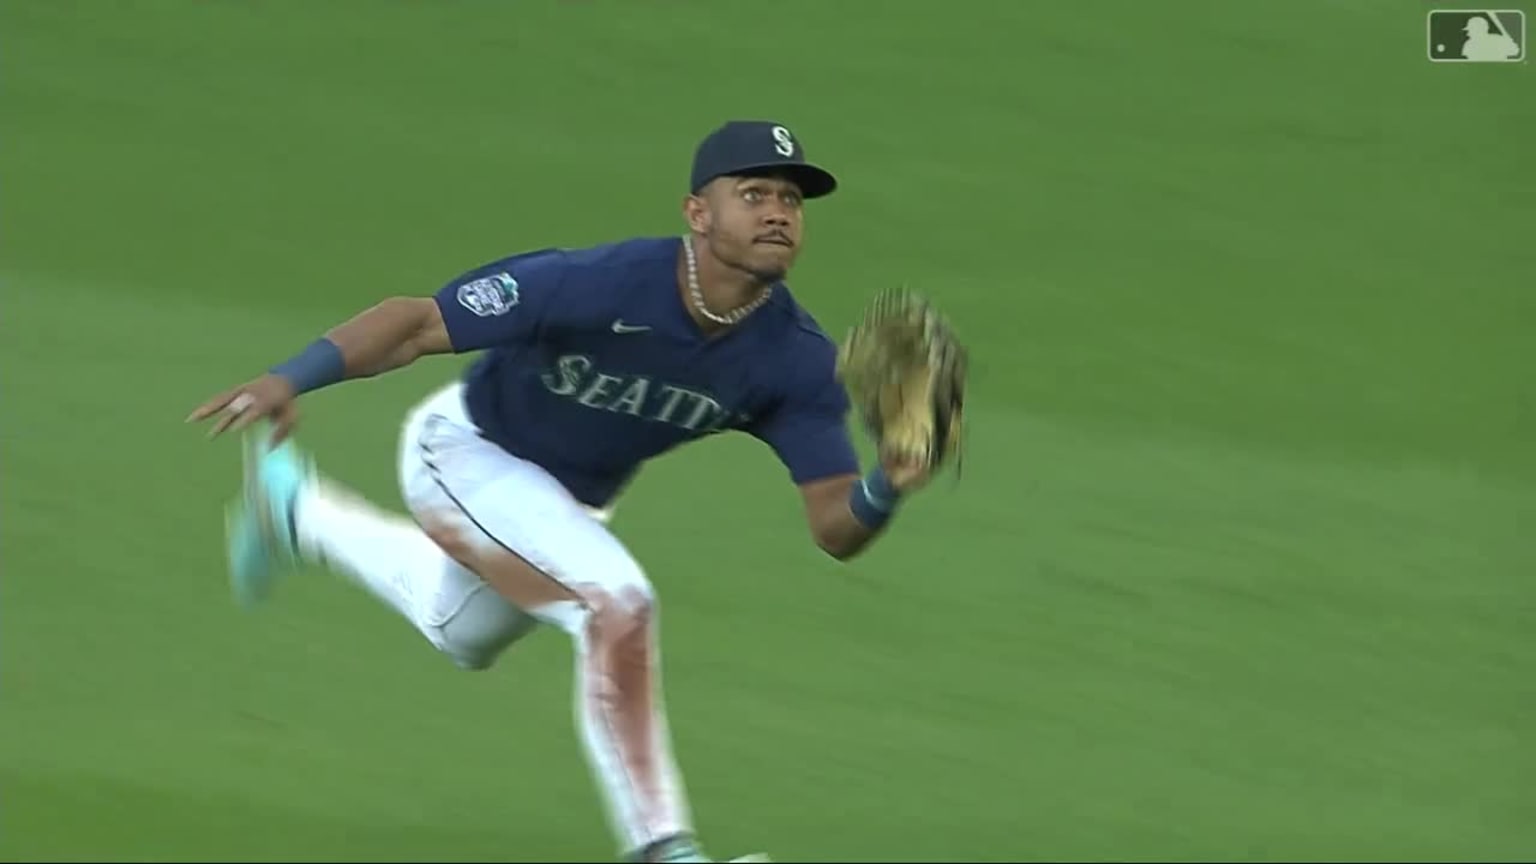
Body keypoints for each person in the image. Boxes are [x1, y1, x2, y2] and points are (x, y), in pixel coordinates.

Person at [187, 120, 937, 864]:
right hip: (464, 457)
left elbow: (834, 526)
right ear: (698, 213)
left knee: (459, 632)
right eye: (754, 193)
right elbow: (415, 323)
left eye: (791, 200)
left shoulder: (794, 361)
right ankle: (662, 848)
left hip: (560, 509)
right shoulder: (599, 281)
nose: (778, 211)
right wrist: (289, 377)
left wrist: (888, 484)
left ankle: (295, 511)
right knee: (617, 601)